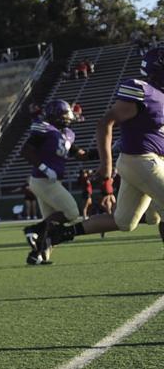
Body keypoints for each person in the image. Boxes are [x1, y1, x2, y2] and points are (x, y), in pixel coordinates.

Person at [33, 47, 164, 256]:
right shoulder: (143, 90)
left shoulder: (159, 95)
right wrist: (106, 165)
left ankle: (60, 234)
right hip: (141, 160)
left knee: (125, 221)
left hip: (147, 161)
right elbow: (105, 124)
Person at [20, 99, 85, 264]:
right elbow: (26, 150)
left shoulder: (68, 134)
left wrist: (108, 151)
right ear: (55, 115)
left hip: (50, 182)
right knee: (71, 213)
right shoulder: (44, 128)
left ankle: (36, 255)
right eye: (65, 114)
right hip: (43, 180)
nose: (68, 117)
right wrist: (45, 168)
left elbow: (80, 154)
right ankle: (33, 230)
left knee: (51, 223)